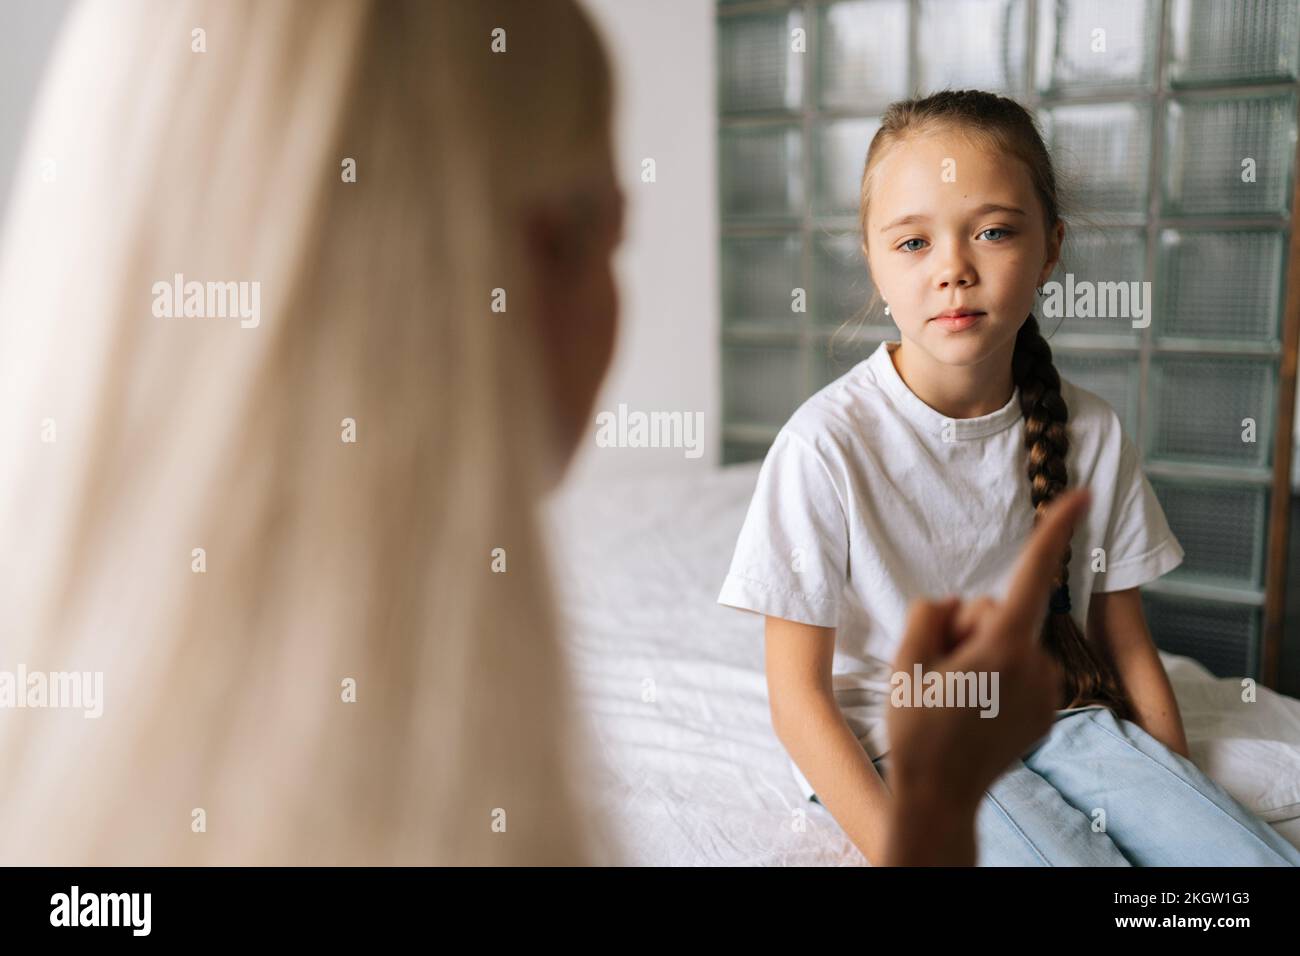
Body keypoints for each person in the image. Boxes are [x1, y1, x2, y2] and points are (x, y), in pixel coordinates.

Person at [718, 90, 1300, 866]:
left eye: (993, 232)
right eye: (913, 243)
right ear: (870, 255)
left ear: (1051, 248)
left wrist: (1173, 783)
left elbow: (1124, 643)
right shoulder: (823, 447)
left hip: (1057, 714)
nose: (955, 269)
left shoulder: (1089, 429)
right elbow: (799, 702)